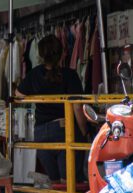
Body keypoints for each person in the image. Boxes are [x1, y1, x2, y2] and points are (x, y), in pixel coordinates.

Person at [15, 34, 85, 184]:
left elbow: (18, 94)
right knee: (69, 184)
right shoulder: (70, 75)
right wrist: (84, 132)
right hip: (64, 130)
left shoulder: (34, 74)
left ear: (40, 55)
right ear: (62, 53)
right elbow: (78, 107)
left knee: (56, 185)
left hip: (40, 135)